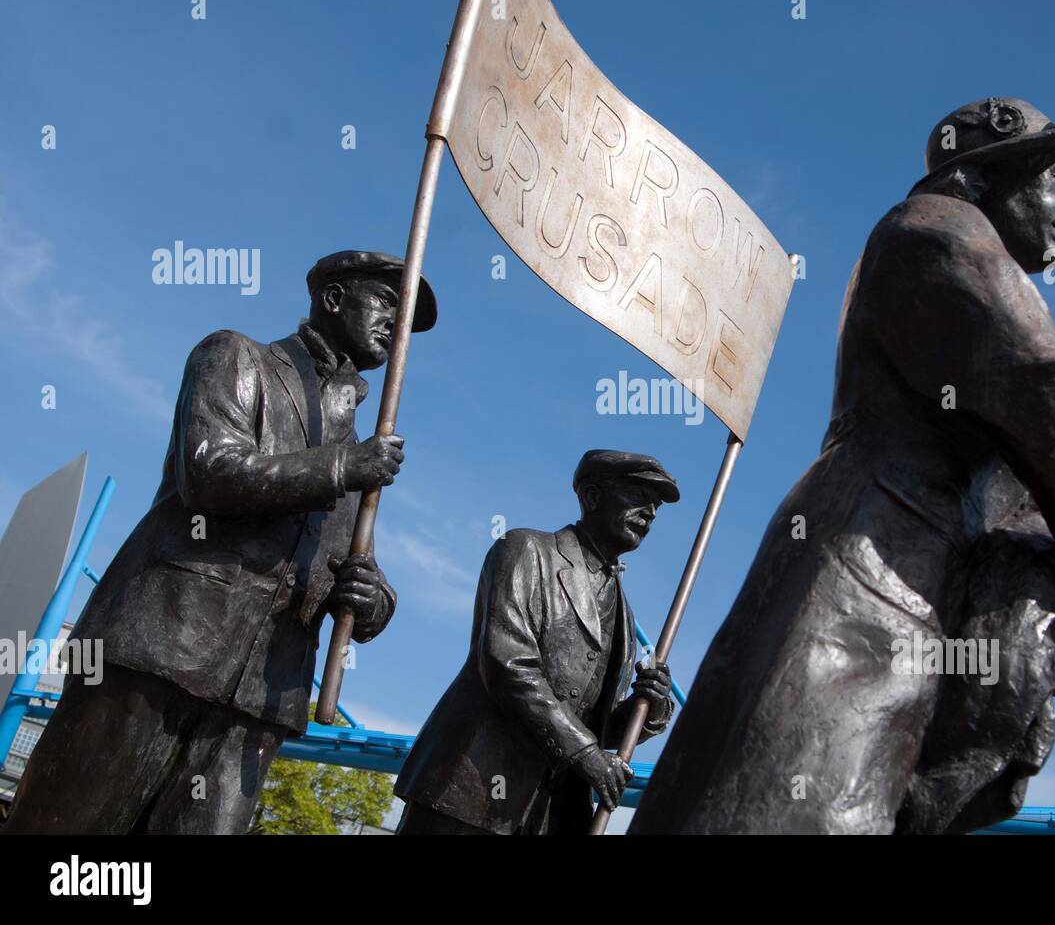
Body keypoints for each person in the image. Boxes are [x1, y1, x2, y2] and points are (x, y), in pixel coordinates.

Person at [630, 94, 1055, 835]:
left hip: (898, 565)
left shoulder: (944, 245)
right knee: (796, 809)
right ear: (982, 176)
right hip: (867, 573)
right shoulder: (935, 231)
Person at [2, 250, 435, 834]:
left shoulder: (360, 449)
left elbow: (352, 565)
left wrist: (372, 599)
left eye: (405, 317)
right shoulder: (237, 357)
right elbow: (209, 471)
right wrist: (342, 468)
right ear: (334, 298)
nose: (395, 324)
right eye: (387, 302)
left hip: (260, 698)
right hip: (162, 653)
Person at [395, 450, 677, 834]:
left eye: (656, 505)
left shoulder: (624, 613)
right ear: (592, 496)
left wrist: (650, 708)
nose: (651, 513)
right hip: (471, 790)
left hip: (548, 816)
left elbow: (593, 722)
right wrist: (585, 754)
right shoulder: (525, 550)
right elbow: (507, 663)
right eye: (638, 495)